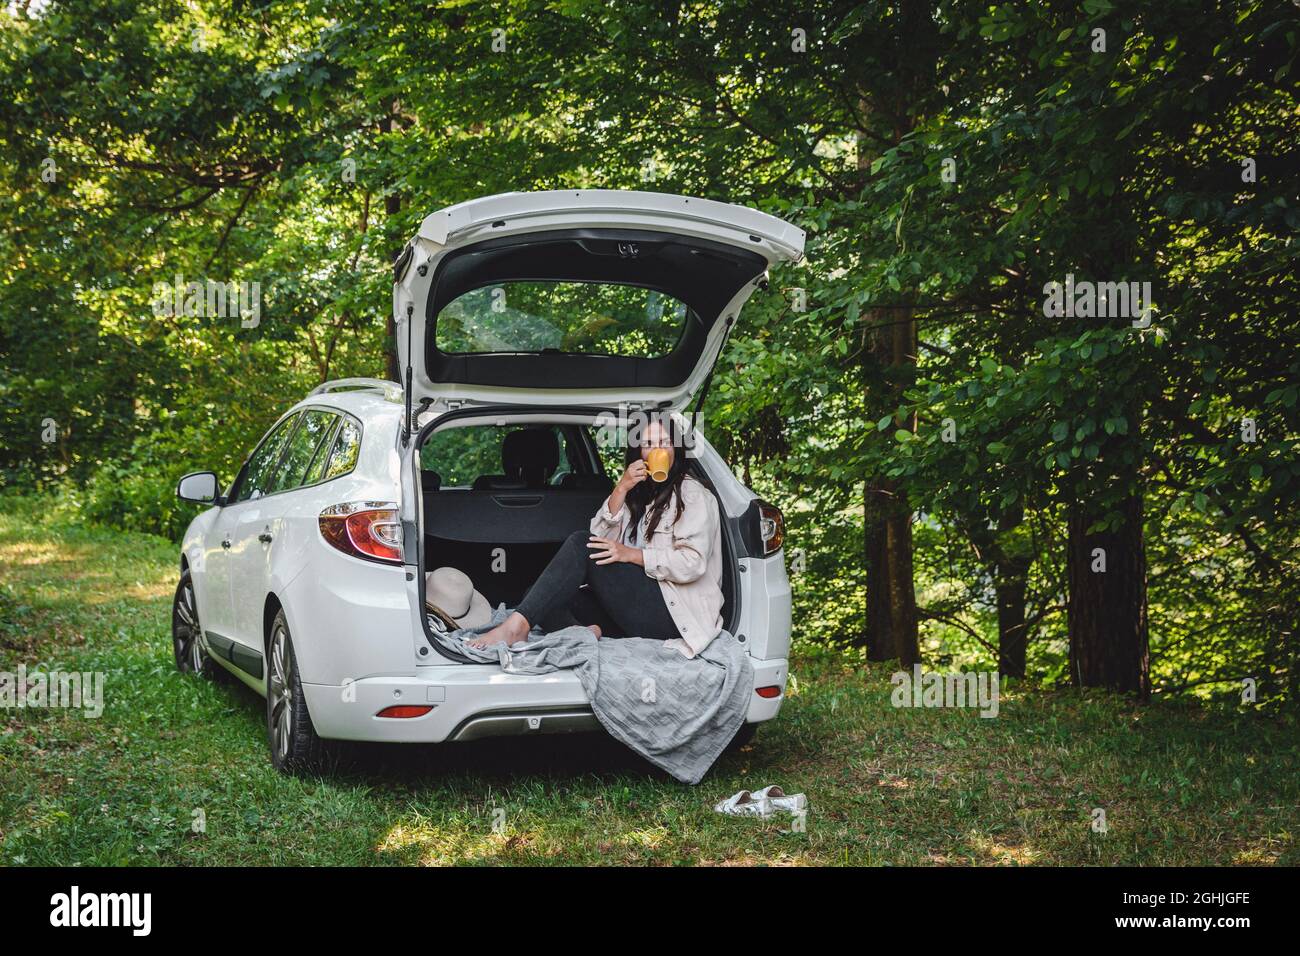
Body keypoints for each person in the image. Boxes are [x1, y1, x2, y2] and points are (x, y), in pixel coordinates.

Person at [467, 415, 724, 658]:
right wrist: (621, 488)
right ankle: (586, 632)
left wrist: (632, 555)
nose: (657, 450)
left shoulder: (692, 494)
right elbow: (600, 537)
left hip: (677, 615)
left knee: (581, 544)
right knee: (537, 596)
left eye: (664, 443)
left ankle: (514, 629)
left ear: (676, 450)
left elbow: (693, 563)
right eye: (648, 444)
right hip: (640, 609)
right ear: (639, 453)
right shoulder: (639, 492)